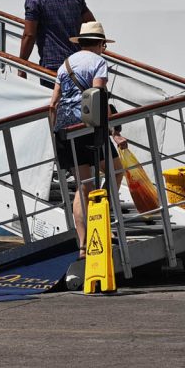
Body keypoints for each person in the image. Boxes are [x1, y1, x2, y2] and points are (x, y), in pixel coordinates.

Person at [49, 21, 127, 256]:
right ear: (101, 44)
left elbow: (53, 103)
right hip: (89, 129)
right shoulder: (98, 63)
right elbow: (98, 99)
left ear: (80, 42)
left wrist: (56, 135)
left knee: (83, 187)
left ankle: (83, 245)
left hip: (65, 131)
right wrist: (115, 133)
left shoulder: (65, 65)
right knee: (116, 170)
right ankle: (101, 213)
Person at [18, 0, 95, 79]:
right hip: (78, 65)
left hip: (52, 67)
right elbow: (92, 25)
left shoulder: (35, 0)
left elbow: (29, 35)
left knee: (53, 92)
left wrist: (21, 64)